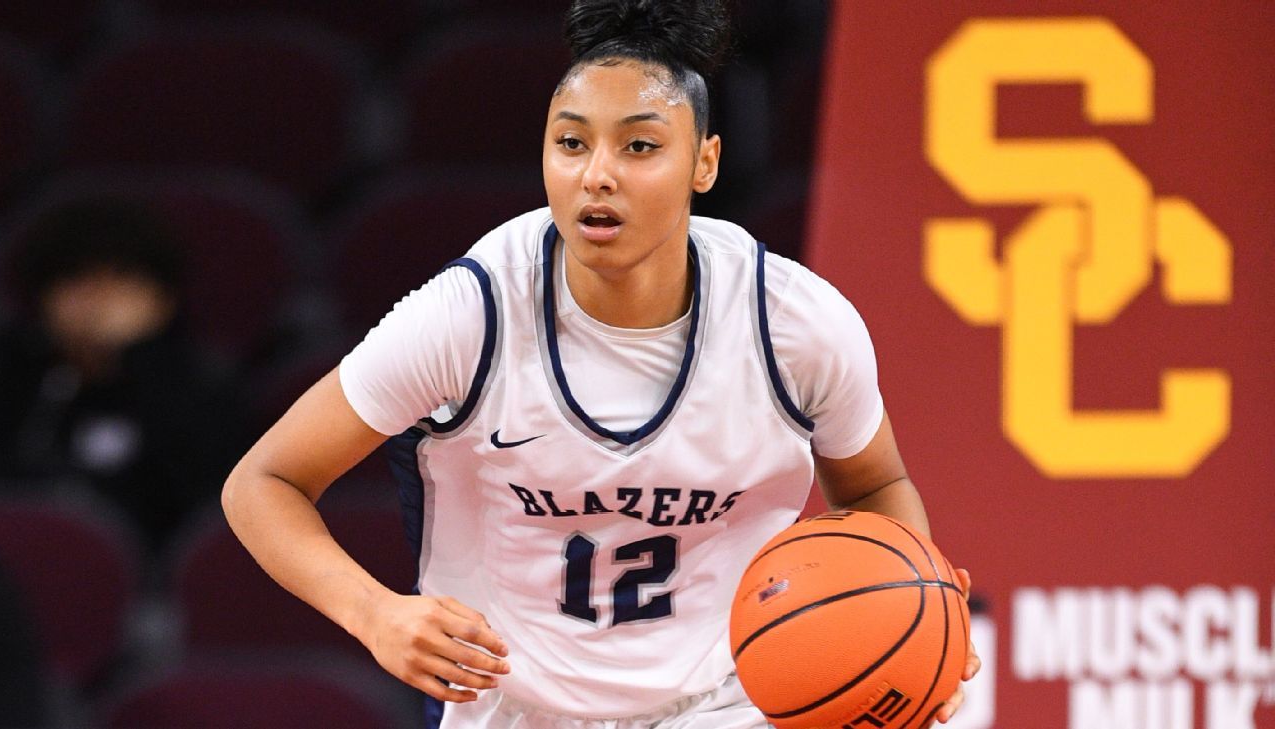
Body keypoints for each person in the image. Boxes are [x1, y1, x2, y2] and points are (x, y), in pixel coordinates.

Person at [222, 1, 979, 726]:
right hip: (512, 704)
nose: (598, 175)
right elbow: (263, 481)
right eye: (572, 142)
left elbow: (877, 484)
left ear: (704, 163)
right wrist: (374, 611)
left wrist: (915, 612)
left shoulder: (796, 324)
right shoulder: (470, 315)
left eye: (640, 146)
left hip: (726, 700)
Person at [0, 200, 246, 554]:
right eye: (77, 278)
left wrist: (142, 357)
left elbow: (205, 507)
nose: (98, 298)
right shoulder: (5, 373)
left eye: (121, 278)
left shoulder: (201, 387)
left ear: (163, 298)